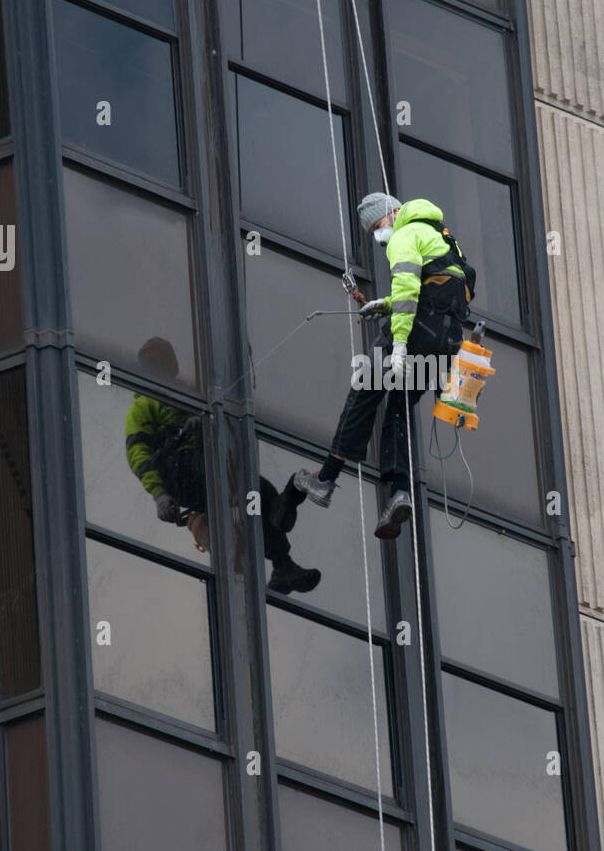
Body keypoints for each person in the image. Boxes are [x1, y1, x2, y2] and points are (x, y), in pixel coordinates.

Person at [292, 194, 474, 539]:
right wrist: (385, 305)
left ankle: (326, 480)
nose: (379, 235)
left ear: (392, 213)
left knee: (363, 393)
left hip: (416, 335)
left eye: (378, 226)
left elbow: (407, 288)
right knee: (399, 409)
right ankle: (399, 494)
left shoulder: (406, 233)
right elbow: (437, 287)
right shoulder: (443, 237)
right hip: (447, 341)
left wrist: (401, 342)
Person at [126, 338, 320, 594]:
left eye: (166, 361)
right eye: (159, 362)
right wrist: (160, 495)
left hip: (206, 465)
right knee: (240, 487)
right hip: (181, 471)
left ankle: (282, 559)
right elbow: (139, 455)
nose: (165, 367)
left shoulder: (188, 393)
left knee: (257, 490)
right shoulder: (143, 406)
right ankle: (279, 527)